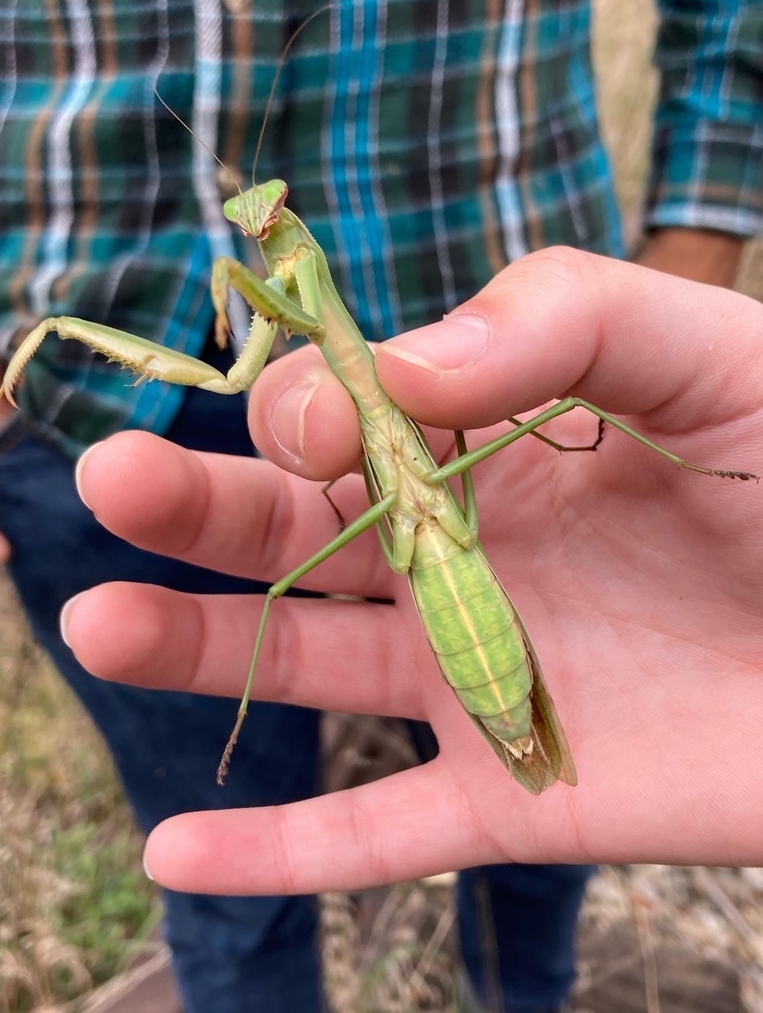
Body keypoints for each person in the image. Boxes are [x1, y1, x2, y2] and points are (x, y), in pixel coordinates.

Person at [0, 0, 760, 1012]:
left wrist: (702, 236)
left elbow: (244, 371)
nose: (253, 217)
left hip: (494, 398)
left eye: (268, 217)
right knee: (234, 868)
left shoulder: (302, 297)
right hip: (92, 423)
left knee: (535, 855)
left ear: (285, 236)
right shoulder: (272, 282)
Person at [63, 249, 763, 884]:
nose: (257, 234)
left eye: (268, 223)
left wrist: (229, 283)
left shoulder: (324, 302)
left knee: (283, 583)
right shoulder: (298, 308)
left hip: (430, 531)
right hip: (430, 534)